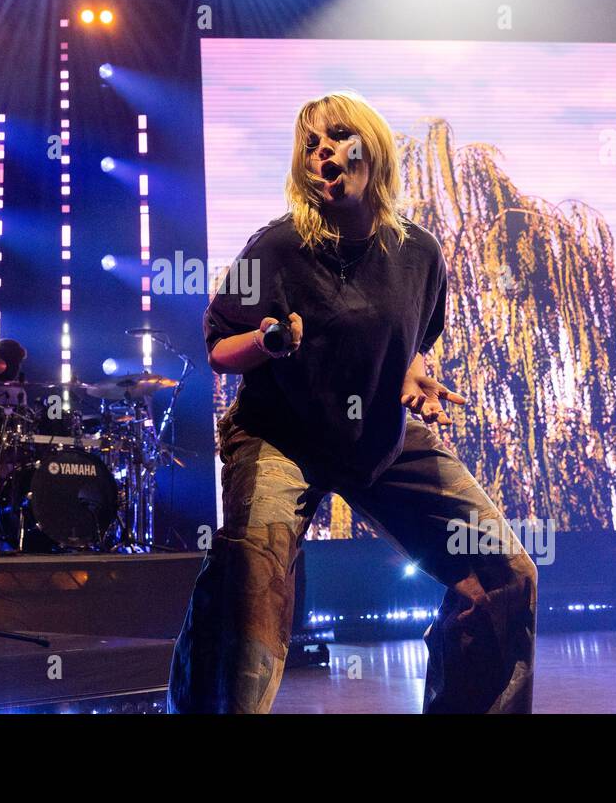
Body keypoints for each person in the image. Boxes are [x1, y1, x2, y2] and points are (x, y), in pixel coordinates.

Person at [168, 92, 537, 713]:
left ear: (373, 148)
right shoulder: (278, 247)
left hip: (380, 436)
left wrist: (415, 373)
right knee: (251, 580)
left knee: (505, 573)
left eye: (337, 137)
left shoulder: (419, 253)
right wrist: (265, 340)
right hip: (280, 434)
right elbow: (218, 348)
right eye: (309, 145)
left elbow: (413, 337)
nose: (322, 152)